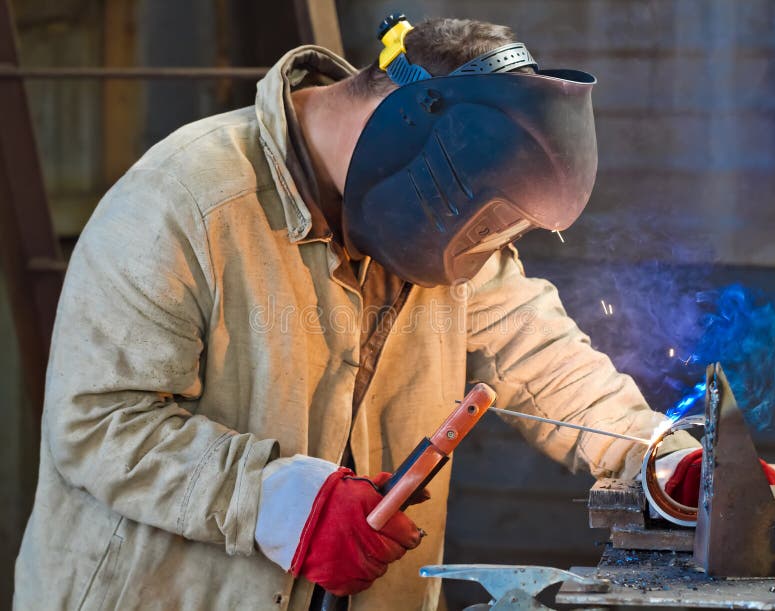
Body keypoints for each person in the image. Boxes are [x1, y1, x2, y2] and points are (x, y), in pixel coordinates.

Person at [15, 15, 699, 611]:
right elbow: (96, 420)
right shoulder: (186, 203)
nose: (480, 250)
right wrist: (281, 503)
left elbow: (538, 353)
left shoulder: (436, 227)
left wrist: (656, 458)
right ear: (412, 131)